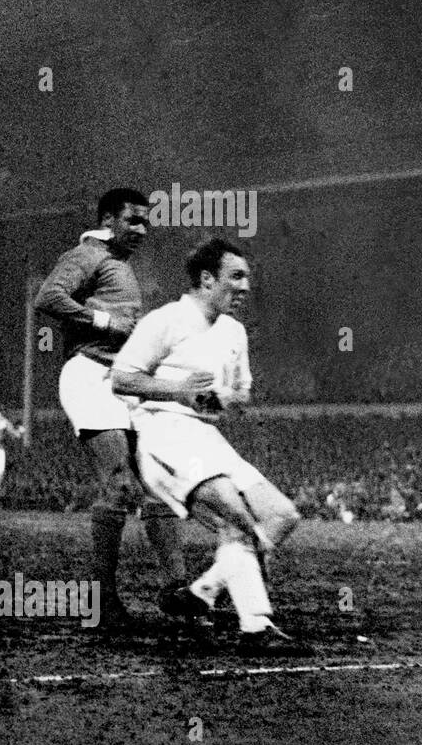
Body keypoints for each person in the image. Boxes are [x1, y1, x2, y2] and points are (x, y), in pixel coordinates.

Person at [111, 237, 303, 651]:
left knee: (282, 516)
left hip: (207, 436)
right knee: (238, 521)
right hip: (165, 432)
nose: (246, 287)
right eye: (236, 277)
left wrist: (219, 399)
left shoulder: (234, 332)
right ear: (206, 279)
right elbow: (123, 379)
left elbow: (241, 396)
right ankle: (256, 627)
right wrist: (178, 391)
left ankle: (199, 593)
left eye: (247, 277)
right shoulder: (166, 320)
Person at [34, 187, 190, 630]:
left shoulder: (121, 265)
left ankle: (179, 589)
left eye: (146, 221)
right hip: (90, 375)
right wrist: (105, 321)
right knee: (121, 485)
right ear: (107, 219)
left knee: (156, 482)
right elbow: (47, 298)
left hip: (123, 381)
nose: (142, 229)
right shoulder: (88, 254)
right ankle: (100, 602)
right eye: (132, 220)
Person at [0, 397, 24, 493]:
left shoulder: (2, 421)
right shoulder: (2, 420)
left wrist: (19, 431)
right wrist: (20, 431)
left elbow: (15, 434)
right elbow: (16, 434)